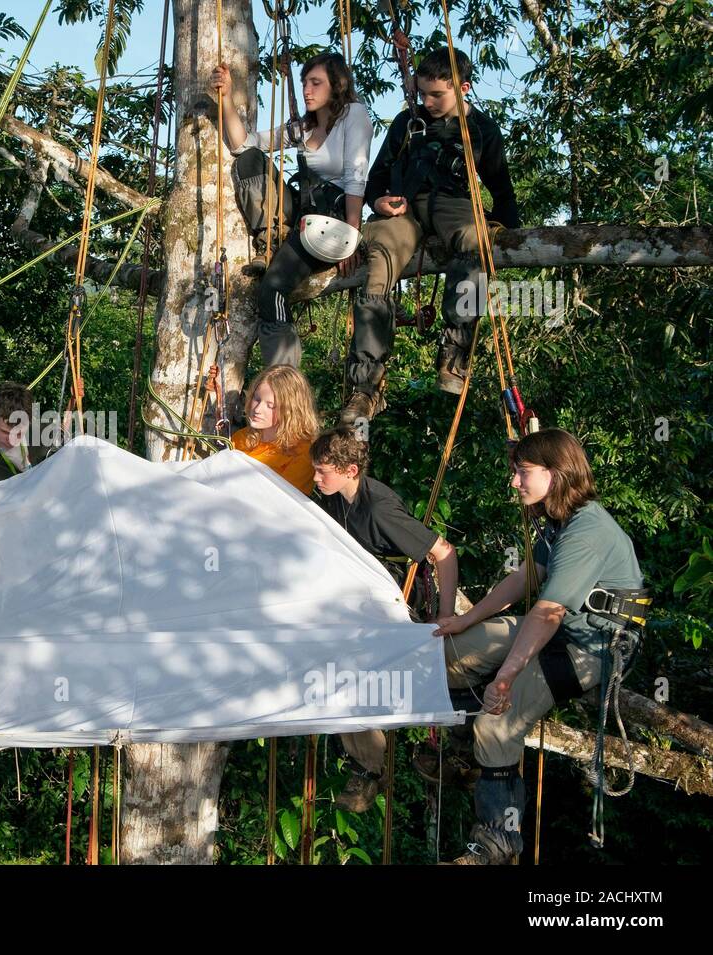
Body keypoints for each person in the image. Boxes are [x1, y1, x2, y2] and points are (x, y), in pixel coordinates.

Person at [431, 429, 645, 864]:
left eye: (522, 472)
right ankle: (467, 745)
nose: (515, 482)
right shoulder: (560, 521)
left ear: (556, 473)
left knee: (497, 725)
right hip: (560, 628)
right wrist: (466, 621)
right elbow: (526, 577)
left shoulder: (588, 531)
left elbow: (547, 612)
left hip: (593, 647)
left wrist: (507, 676)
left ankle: (498, 840)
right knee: (448, 655)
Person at [343, 48, 521, 423]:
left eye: (436, 94)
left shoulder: (482, 131)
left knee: (474, 239)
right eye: (422, 93)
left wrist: (514, 238)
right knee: (379, 261)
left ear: (464, 87)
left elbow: (501, 188)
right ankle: (366, 386)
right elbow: (376, 177)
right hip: (404, 207)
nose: (427, 101)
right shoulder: (407, 122)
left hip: (453, 204)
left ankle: (454, 353)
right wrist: (379, 201)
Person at [309, 426, 458, 811]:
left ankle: (385, 767)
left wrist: (445, 617)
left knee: (362, 682)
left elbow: (443, 552)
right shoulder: (334, 498)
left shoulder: (378, 508)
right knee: (335, 677)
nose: (315, 478)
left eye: (323, 471)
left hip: (401, 600)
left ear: (351, 470)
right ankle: (366, 767)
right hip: (359, 604)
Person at [212, 52, 372, 369]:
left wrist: (352, 235)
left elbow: (357, 177)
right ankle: (270, 239)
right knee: (249, 160)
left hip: (333, 221)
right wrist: (226, 98)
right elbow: (242, 144)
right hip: (301, 215)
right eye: (304, 83)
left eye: (316, 83)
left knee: (272, 289)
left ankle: (283, 376)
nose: (307, 90)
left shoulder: (354, 115)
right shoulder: (301, 129)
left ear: (337, 86)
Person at [208, 363, 319, 494]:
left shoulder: (303, 453)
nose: (257, 409)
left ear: (291, 410)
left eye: (271, 406)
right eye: (257, 398)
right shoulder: (243, 437)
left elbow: (281, 501)